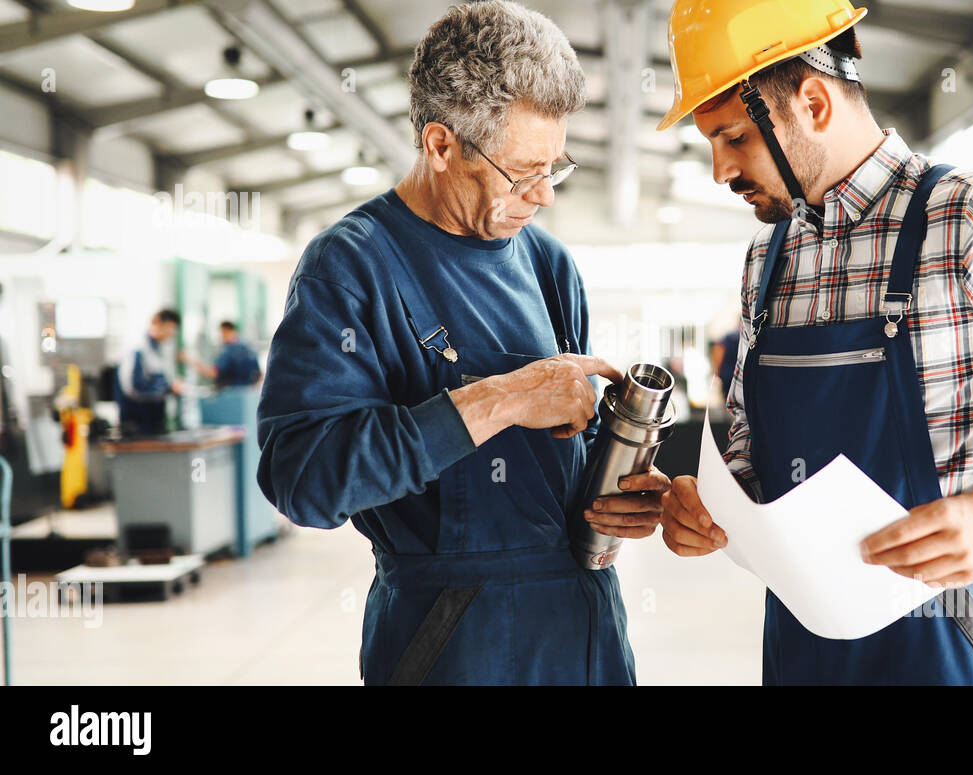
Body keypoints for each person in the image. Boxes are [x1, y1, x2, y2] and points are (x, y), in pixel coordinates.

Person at [655, 0, 973, 685]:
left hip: (952, 635)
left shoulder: (972, 218)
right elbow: (753, 435)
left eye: (734, 138)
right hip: (803, 643)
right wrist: (716, 509)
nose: (720, 170)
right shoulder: (766, 257)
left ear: (812, 102)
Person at [256, 0, 668, 686]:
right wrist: (501, 399)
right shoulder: (353, 267)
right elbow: (302, 478)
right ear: (440, 145)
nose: (545, 196)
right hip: (451, 642)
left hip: (583, 632)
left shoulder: (549, 265)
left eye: (554, 167)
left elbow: (558, 462)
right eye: (522, 172)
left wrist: (613, 489)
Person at [116, 309, 185, 436]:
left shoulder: (160, 349)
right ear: (157, 322)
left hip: (155, 421)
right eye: (170, 328)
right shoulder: (137, 348)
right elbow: (133, 387)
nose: (172, 333)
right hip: (137, 423)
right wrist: (168, 388)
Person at [181, 321, 261, 388]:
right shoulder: (249, 349)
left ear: (227, 331)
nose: (221, 336)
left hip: (230, 396)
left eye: (222, 333)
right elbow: (258, 375)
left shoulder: (229, 351)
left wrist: (189, 360)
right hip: (248, 396)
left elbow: (213, 373)